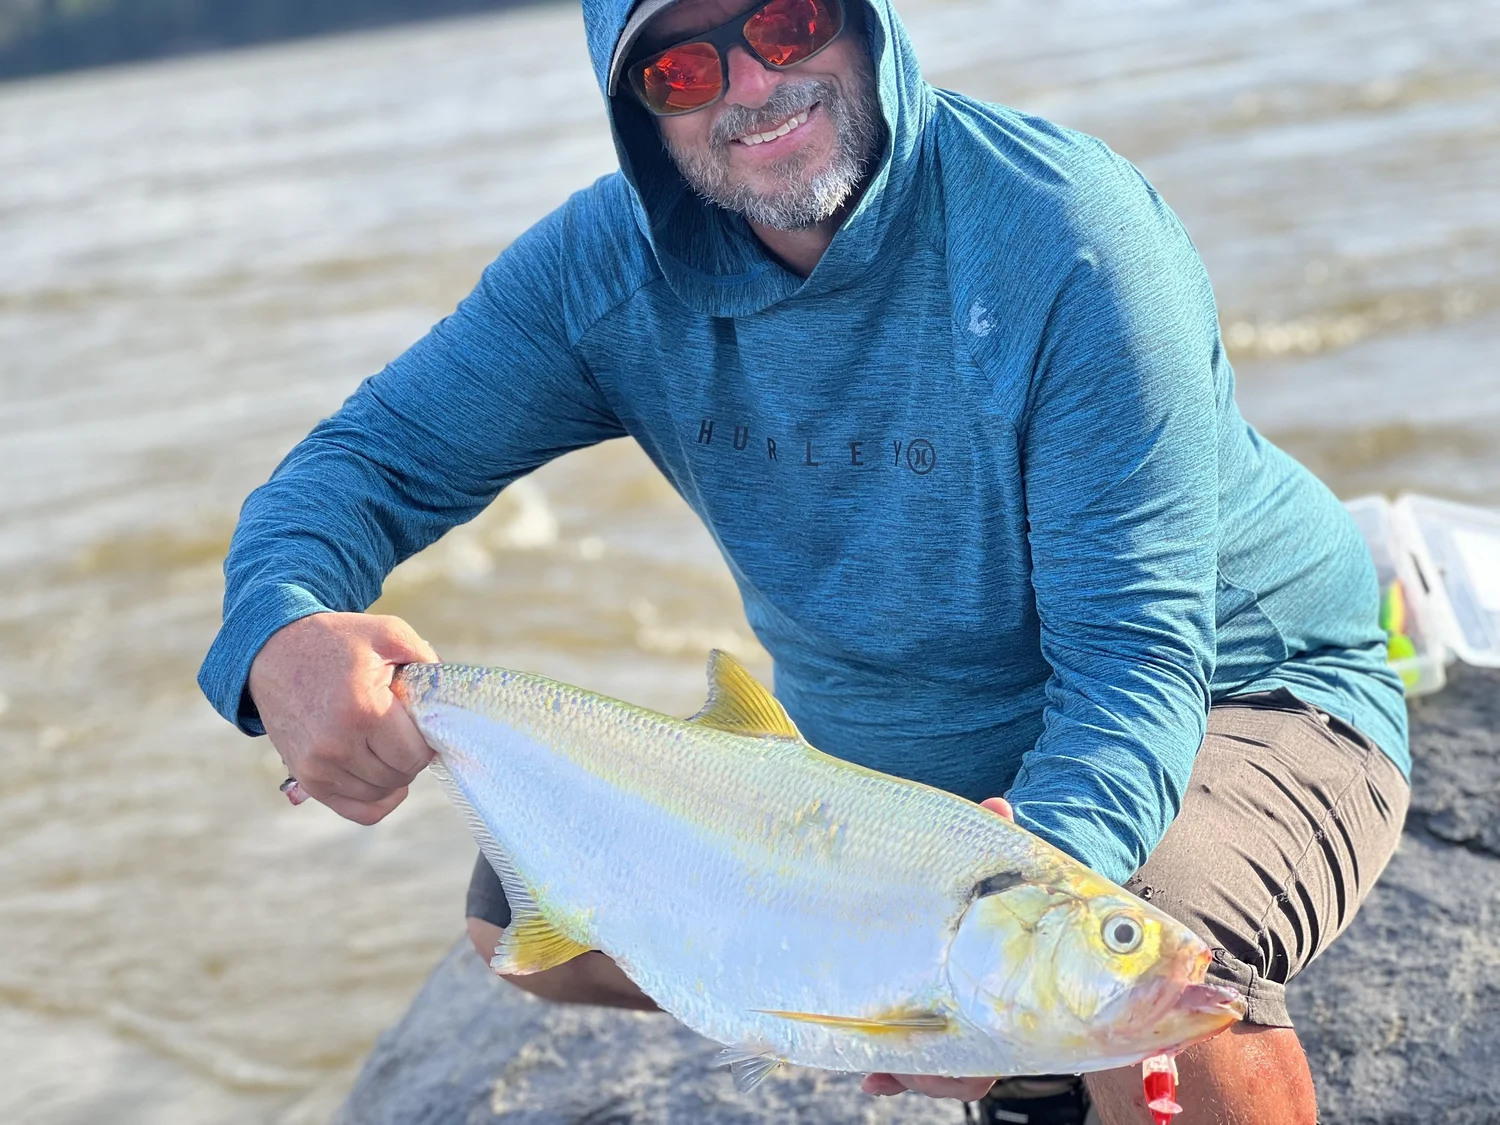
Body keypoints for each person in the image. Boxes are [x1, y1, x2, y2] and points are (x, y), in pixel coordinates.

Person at [200, 0, 1412, 1121]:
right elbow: (361, 464)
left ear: (861, 16)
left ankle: (1054, 1045)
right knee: (522, 933)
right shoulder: (599, 273)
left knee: (1150, 986)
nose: (753, 83)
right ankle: (1007, 1059)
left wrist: (1016, 959)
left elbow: (1134, 663)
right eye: (681, 65)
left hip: (1231, 687)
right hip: (885, 744)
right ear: (638, 105)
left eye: (785, 17)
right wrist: (279, 634)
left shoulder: (1068, 233)